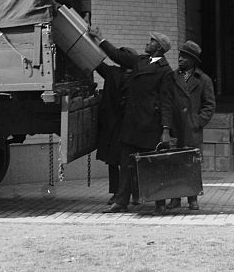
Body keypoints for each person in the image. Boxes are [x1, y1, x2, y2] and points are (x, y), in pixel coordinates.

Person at [91, 29, 175, 214]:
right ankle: (121, 202)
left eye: (152, 41)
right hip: (132, 124)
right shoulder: (140, 61)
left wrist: (166, 129)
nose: (148, 43)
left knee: (153, 166)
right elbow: (117, 56)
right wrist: (100, 38)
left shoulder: (166, 71)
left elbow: (167, 102)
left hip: (150, 126)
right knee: (126, 163)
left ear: (159, 48)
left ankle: (159, 203)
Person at [167, 40, 215, 211]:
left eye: (185, 57)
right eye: (180, 56)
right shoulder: (172, 77)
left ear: (193, 61)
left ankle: (192, 198)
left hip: (192, 129)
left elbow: (209, 105)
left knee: (191, 164)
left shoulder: (203, 80)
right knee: (174, 163)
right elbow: (166, 101)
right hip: (175, 127)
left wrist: (198, 122)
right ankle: (174, 198)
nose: (180, 59)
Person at [94, 61, 131, 204]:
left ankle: (117, 193)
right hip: (127, 127)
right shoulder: (137, 76)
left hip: (112, 127)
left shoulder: (112, 73)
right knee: (127, 161)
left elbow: (98, 64)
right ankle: (131, 193)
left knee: (113, 162)